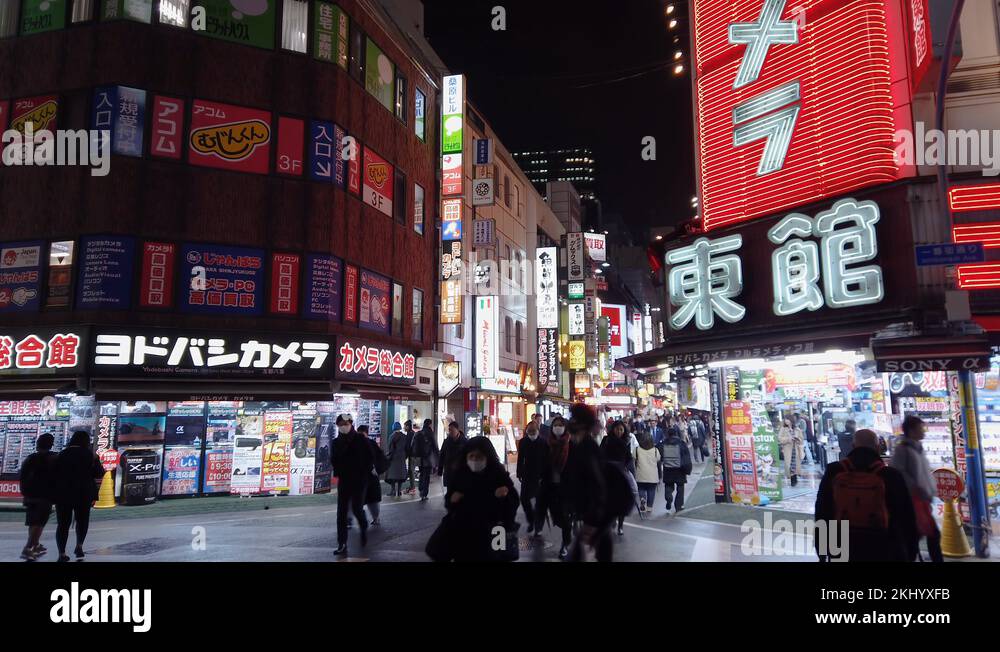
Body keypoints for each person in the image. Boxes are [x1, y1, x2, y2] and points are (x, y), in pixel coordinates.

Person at [815, 429, 918, 561]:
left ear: (853, 446)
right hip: (883, 548)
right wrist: (910, 552)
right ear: (877, 447)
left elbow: (822, 512)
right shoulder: (891, 475)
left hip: (843, 548)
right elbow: (907, 518)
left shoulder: (834, 471)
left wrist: (822, 550)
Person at [437, 437, 519, 562]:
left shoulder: (498, 474)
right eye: (471, 456)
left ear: (488, 457)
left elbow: (513, 505)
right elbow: (450, 505)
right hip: (466, 535)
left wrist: (504, 497)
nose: (475, 460)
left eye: (479, 457)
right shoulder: (460, 475)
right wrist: (452, 501)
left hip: (495, 534)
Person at [563, 404, 612, 561]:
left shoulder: (587, 448)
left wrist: (592, 520)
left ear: (581, 425)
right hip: (589, 516)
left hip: (594, 519)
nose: (570, 423)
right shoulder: (578, 446)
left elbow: (597, 485)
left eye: (574, 420)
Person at [891, 415, 943, 562]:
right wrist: (916, 488)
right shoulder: (903, 450)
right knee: (927, 535)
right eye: (921, 428)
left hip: (923, 500)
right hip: (913, 501)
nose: (924, 431)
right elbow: (898, 473)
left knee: (918, 536)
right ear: (912, 430)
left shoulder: (918, 448)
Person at [52, 431, 104, 562]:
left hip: (63, 494)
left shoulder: (62, 454)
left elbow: (54, 474)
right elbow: (99, 473)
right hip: (84, 493)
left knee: (63, 524)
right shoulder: (90, 455)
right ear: (86, 441)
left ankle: (62, 553)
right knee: (82, 520)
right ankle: (79, 546)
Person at [330, 414, 373, 556]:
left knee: (356, 508)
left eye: (346, 423)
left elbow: (370, 456)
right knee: (341, 513)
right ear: (338, 426)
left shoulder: (361, 439)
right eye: (341, 424)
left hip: (359, 480)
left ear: (351, 424)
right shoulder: (336, 442)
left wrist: (366, 472)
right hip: (344, 480)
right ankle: (342, 543)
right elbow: (333, 459)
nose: (344, 426)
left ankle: (363, 526)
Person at [537, 415, 573, 559]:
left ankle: (565, 544)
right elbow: (541, 463)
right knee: (554, 516)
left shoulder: (571, 445)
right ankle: (538, 527)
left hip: (566, 488)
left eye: (560, 425)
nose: (558, 427)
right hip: (549, 486)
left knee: (564, 519)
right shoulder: (547, 444)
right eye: (555, 425)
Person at [19, 433, 57, 561]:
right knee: (39, 523)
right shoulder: (53, 458)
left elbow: (22, 476)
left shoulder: (29, 458)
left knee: (33, 522)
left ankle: (35, 545)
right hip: (44, 496)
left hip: (30, 496)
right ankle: (28, 547)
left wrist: (25, 492)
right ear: (51, 444)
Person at [600, 420, 634, 536]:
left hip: (621, 474)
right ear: (612, 429)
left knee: (622, 498)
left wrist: (624, 466)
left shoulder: (626, 441)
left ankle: (620, 525)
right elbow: (600, 454)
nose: (619, 431)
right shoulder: (606, 439)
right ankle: (611, 521)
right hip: (607, 474)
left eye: (621, 429)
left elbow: (629, 457)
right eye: (617, 429)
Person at [516, 421, 548, 536]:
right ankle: (531, 520)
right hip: (527, 474)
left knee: (540, 503)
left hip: (540, 476)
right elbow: (520, 458)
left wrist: (545, 476)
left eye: (533, 431)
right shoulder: (523, 442)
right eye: (529, 432)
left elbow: (547, 460)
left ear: (538, 431)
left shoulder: (544, 442)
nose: (531, 434)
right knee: (524, 499)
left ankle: (538, 527)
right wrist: (519, 473)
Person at [659, 422, 692, 513]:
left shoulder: (664, 443)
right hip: (680, 469)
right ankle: (678, 506)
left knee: (668, 485)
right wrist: (688, 468)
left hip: (668, 469)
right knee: (680, 488)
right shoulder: (681, 443)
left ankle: (669, 498)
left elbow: (660, 455)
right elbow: (686, 457)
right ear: (676, 434)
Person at [357, 425, 385, 527]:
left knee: (356, 499)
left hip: (361, 477)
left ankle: (350, 520)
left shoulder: (354, 444)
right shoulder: (372, 443)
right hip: (371, 477)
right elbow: (381, 458)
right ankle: (375, 518)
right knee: (372, 500)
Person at [411, 419, 440, 501]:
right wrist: (438, 458)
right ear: (430, 424)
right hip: (428, 458)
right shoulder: (430, 433)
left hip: (419, 458)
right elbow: (435, 446)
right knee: (426, 476)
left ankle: (420, 489)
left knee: (421, 473)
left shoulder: (418, 433)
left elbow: (412, 445)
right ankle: (424, 493)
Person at [437, 421, 468, 491]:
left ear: (457, 429)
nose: (450, 432)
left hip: (460, 472)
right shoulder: (446, 441)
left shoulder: (465, 442)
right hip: (449, 471)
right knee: (449, 492)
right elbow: (442, 455)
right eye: (449, 430)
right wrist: (440, 470)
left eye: (452, 429)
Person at [634, 432, 661, 513]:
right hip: (652, 476)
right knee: (651, 491)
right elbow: (658, 459)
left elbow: (633, 457)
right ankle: (649, 507)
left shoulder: (636, 450)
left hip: (641, 474)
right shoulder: (655, 450)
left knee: (641, 488)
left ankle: (642, 499)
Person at [384, 422, 408, 497]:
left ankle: (393, 490)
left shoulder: (392, 436)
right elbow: (407, 448)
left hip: (394, 458)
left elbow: (390, 448)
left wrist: (388, 456)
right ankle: (399, 491)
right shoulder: (404, 436)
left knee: (392, 475)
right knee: (400, 475)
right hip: (402, 458)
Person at [778, 417, 803, 486]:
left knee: (795, 464)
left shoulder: (797, 429)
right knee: (789, 464)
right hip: (788, 449)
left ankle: (795, 478)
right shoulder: (783, 429)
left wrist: (798, 439)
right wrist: (789, 439)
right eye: (785, 420)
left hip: (796, 449)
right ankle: (792, 480)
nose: (786, 421)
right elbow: (780, 438)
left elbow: (802, 439)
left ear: (791, 420)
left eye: (787, 419)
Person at [403, 420, 417, 495]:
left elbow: (408, 446)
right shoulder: (412, 433)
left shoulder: (410, 434)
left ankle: (413, 488)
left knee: (411, 471)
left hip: (412, 455)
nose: (404, 427)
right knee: (410, 471)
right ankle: (411, 487)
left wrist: (405, 456)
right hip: (413, 455)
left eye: (404, 426)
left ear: (408, 426)